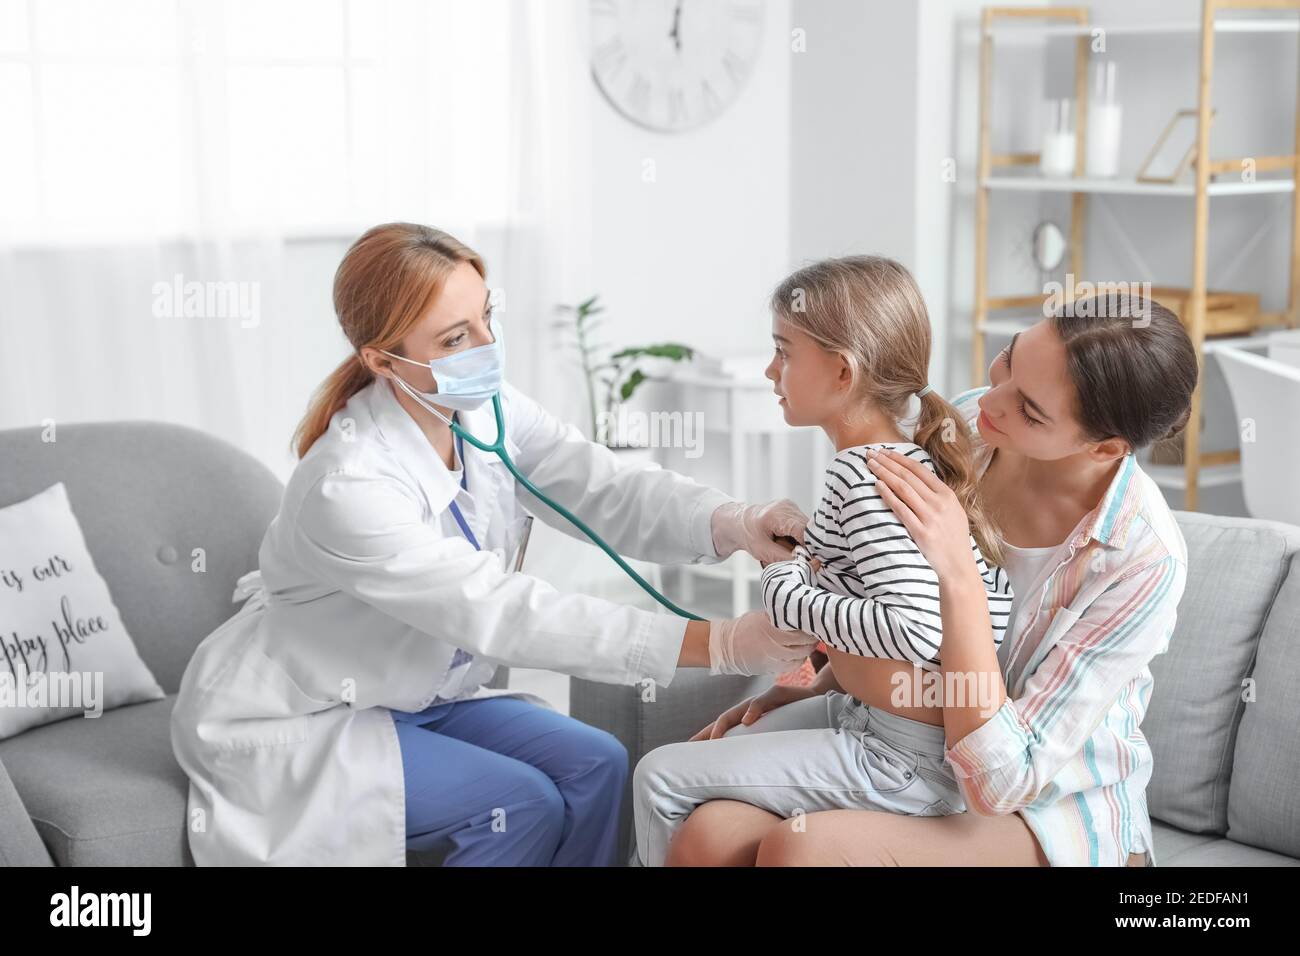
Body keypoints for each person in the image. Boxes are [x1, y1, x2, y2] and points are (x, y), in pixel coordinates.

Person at [169, 222, 818, 866]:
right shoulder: (347, 486)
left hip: (417, 693)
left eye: (487, 317)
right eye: (456, 338)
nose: (487, 346)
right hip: (314, 715)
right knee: (522, 803)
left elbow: (602, 484)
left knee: (601, 762)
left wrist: (734, 521)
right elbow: (501, 612)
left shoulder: (483, 409)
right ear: (381, 359)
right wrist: (723, 642)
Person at [666, 292, 1196, 867]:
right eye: (1008, 360)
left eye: (1030, 410)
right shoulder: (966, 427)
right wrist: (830, 682)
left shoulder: (1142, 558)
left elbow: (1003, 783)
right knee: (707, 835)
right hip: (911, 749)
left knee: (805, 851)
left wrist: (959, 573)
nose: (991, 399)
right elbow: (893, 592)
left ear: (1106, 448)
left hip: (1036, 807)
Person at [631, 256, 1013, 867]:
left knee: (660, 776)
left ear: (842, 372)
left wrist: (783, 581)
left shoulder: (863, 474)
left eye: (784, 351)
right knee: (718, 744)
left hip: (901, 758)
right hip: (873, 723)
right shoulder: (901, 461)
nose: (769, 370)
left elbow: (913, 628)